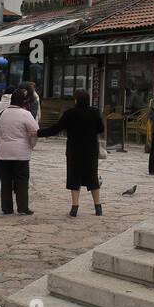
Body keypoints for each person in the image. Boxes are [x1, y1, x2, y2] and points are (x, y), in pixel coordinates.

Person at [38, 89, 105, 217]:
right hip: (90, 150)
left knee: (74, 177)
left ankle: (75, 207)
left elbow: (55, 129)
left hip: (74, 150)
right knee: (92, 177)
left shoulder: (70, 114)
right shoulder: (94, 112)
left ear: (76, 100)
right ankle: (98, 207)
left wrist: (38, 133)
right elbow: (101, 129)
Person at [0, 86, 38, 216]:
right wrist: (31, 146)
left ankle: (6, 208)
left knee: (6, 181)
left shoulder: (0, 114)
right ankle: (23, 207)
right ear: (24, 102)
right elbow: (34, 133)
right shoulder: (26, 114)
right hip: (21, 153)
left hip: (3, 152)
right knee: (22, 180)